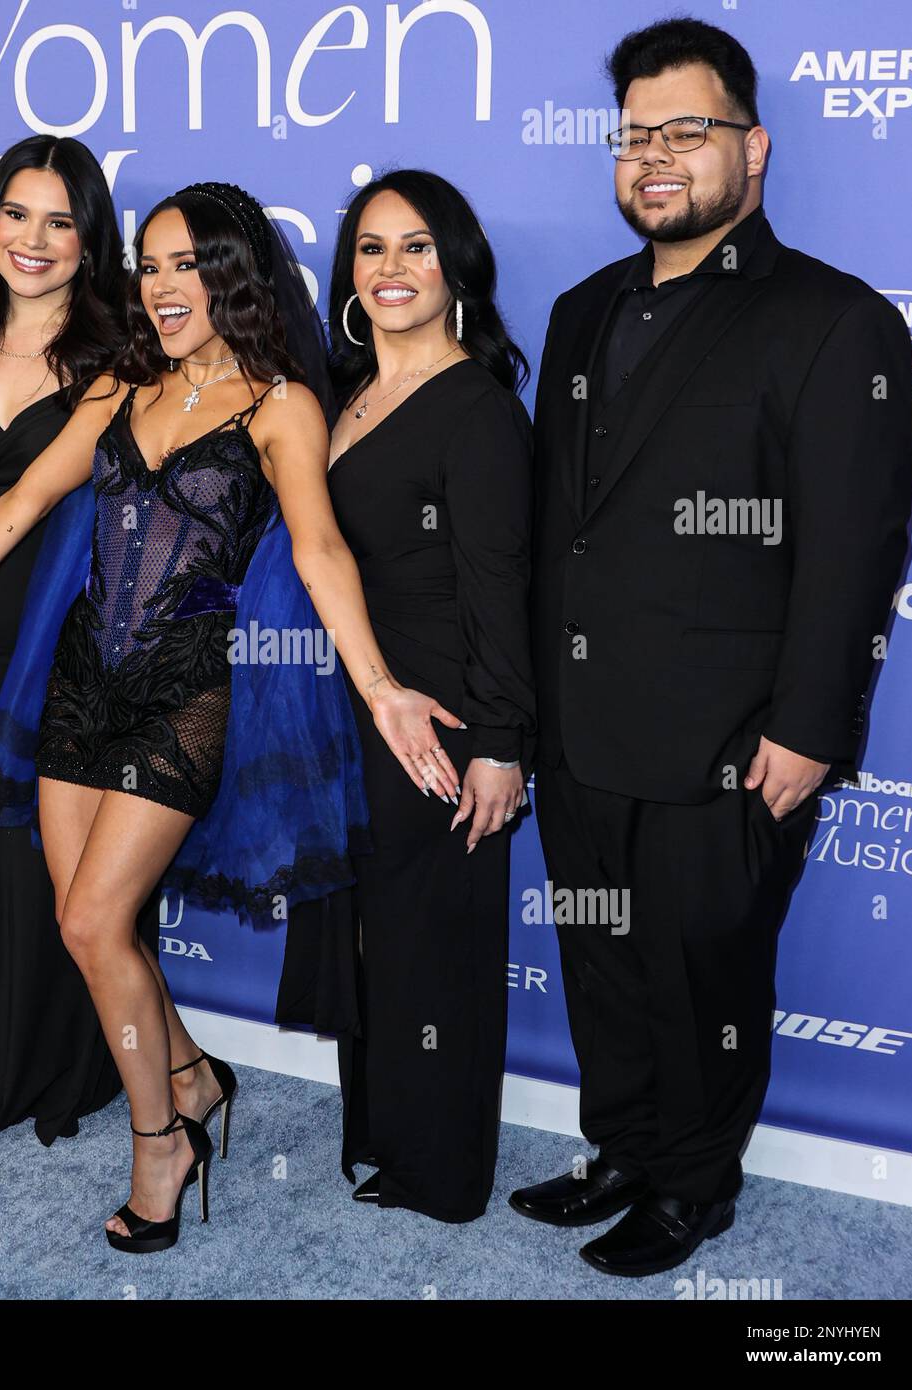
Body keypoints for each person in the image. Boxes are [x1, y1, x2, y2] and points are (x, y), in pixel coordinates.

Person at [0, 182, 454, 1253]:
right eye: (148, 264)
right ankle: (190, 1070)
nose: (161, 285)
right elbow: (19, 504)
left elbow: (320, 552)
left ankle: (163, 1142)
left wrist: (378, 687)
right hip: (79, 682)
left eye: (186, 264)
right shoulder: (118, 379)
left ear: (232, 274)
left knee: (96, 924)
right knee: (82, 919)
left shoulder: (281, 402)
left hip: (185, 695)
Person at [515, 18, 912, 1275]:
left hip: (728, 738)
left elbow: (854, 550)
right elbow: (558, 532)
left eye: (685, 130)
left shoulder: (831, 322)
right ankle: (623, 1147)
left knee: (699, 977)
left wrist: (805, 728)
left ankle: (696, 1185)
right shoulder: (583, 312)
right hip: (579, 729)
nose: (655, 156)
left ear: (752, 146)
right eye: (635, 134)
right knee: (599, 953)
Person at [289, 169, 535, 1223]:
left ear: (457, 269)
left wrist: (499, 742)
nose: (393, 269)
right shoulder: (345, 390)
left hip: (437, 716)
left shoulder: (473, 407)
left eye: (417, 247)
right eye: (373, 248)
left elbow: (500, 588)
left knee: (435, 942)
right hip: (351, 707)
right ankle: (386, 1132)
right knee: (372, 937)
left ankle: (443, 1173)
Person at [0, 136, 138, 1147]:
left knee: (73, 865)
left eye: (60, 220)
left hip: (75, 635)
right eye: (16, 213)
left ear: (90, 241)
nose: (34, 239)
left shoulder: (117, 356)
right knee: (4, 838)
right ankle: (1, 1066)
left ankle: (75, 1068)